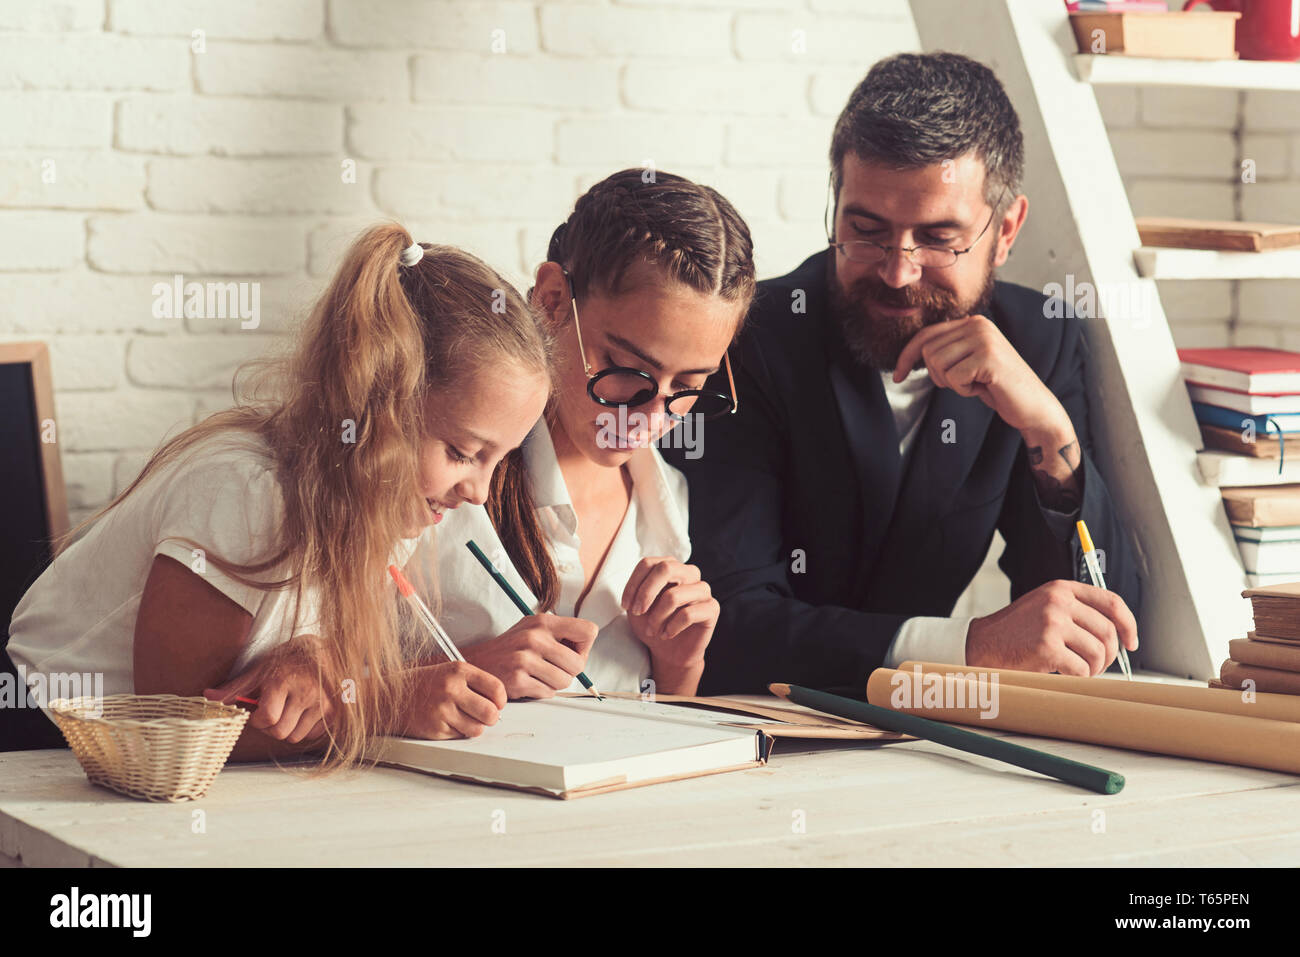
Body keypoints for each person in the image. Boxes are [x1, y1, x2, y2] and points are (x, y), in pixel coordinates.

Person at [662, 52, 1142, 695]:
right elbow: (730, 623)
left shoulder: (1042, 338)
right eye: (866, 230)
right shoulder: (748, 339)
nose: (897, 272)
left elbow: (1108, 629)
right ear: (836, 207)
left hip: (930, 742)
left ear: (1005, 230)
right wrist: (965, 647)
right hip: (754, 730)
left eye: (939, 239)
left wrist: (1051, 438)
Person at [3, 224, 550, 761]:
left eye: (498, 462)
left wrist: (320, 662)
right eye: (461, 452)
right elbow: (170, 725)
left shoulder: (389, 503)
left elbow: (281, 687)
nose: (479, 493)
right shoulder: (245, 491)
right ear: (380, 409)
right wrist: (385, 703)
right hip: (37, 744)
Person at [417, 169, 756, 698]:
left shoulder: (668, 507)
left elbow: (647, 736)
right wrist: (468, 672)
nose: (648, 420)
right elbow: (307, 694)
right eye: (624, 367)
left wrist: (678, 669)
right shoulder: (440, 475)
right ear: (552, 300)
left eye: (688, 386)